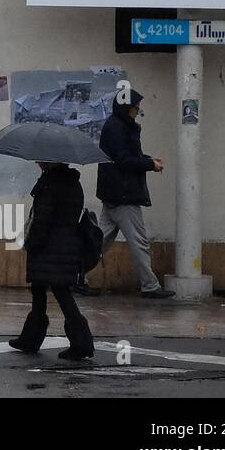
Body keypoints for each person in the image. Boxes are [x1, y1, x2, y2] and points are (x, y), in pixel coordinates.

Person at [9, 162, 95, 361]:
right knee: (40, 289)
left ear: (51, 161)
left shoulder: (50, 184)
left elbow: (42, 219)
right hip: (65, 244)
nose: (38, 162)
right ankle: (30, 338)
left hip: (50, 246)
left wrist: (32, 244)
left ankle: (81, 343)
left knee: (60, 291)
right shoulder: (73, 182)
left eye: (42, 160)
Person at [97, 88, 175, 299]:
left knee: (98, 242)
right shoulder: (118, 129)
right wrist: (149, 164)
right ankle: (150, 286)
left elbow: (128, 156)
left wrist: (149, 160)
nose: (138, 110)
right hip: (123, 195)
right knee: (139, 242)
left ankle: (73, 276)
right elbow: (124, 160)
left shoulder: (118, 126)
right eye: (135, 107)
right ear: (126, 107)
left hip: (114, 194)